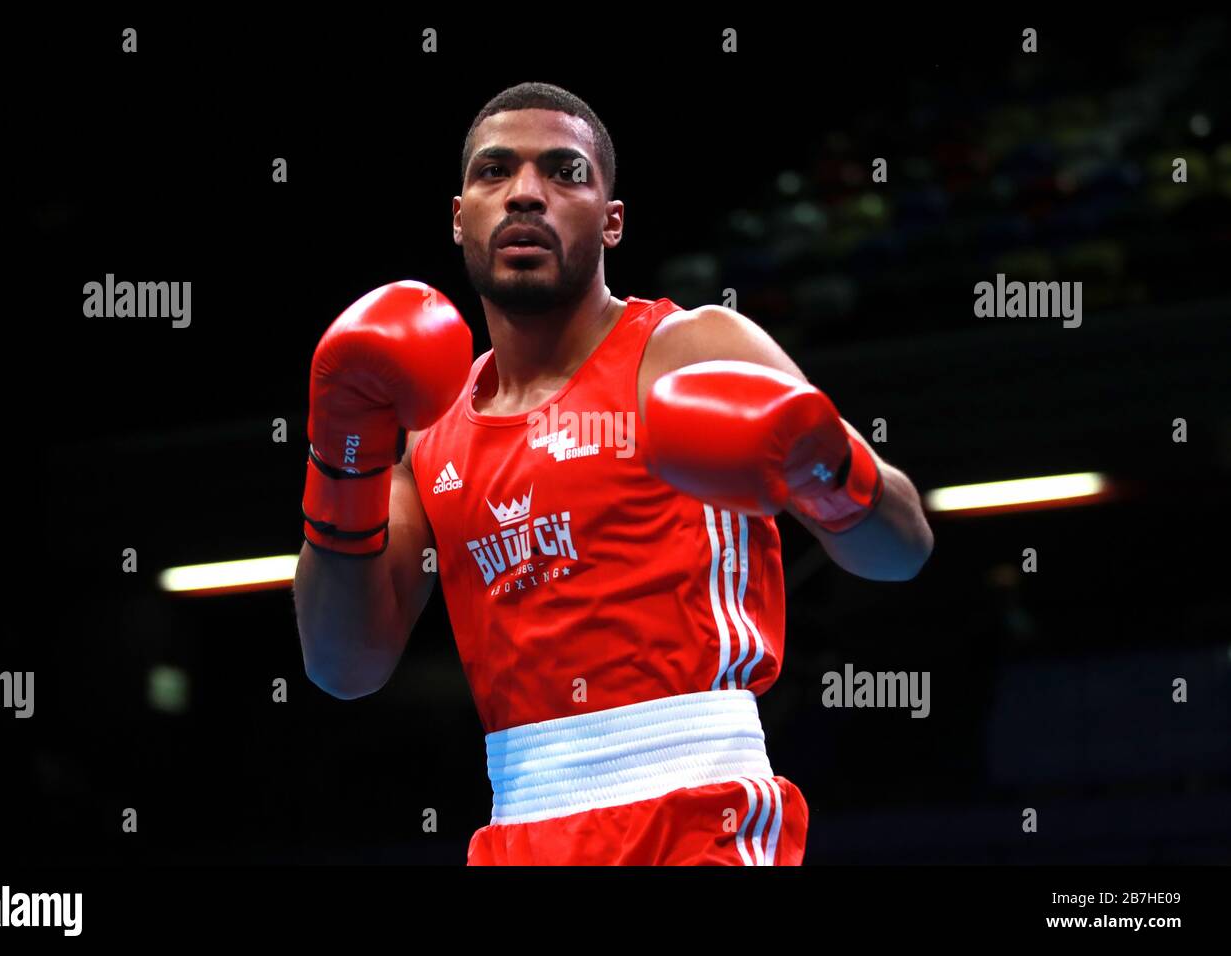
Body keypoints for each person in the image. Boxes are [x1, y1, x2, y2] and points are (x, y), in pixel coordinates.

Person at [293, 82, 934, 865]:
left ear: (612, 218)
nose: (526, 193)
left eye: (564, 172)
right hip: (519, 828)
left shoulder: (689, 349)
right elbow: (341, 667)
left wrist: (825, 464)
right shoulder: (430, 432)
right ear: (460, 217)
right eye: (495, 171)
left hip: (700, 816)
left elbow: (903, 548)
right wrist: (340, 452)